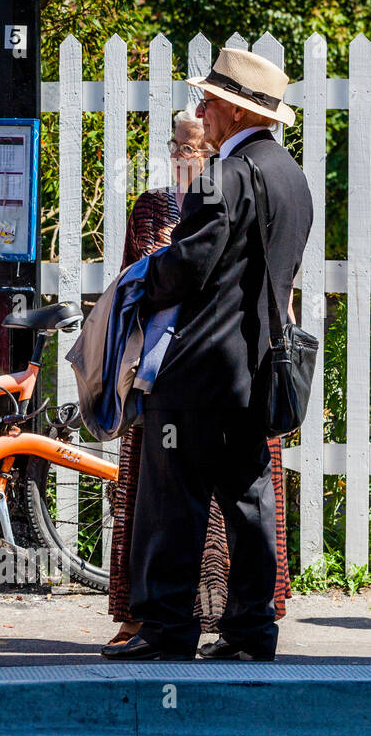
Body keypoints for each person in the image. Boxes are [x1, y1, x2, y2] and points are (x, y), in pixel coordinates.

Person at [103, 48, 312, 662]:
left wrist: (145, 276)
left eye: (207, 102)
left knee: (173, 499)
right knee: (249, 503)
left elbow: (191, 264)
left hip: (198, 370)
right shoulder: (291, 176)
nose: (202, 111)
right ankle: (251, 632)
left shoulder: (225, 174)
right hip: (258, 367)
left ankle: (166, 628)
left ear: (227, 107)